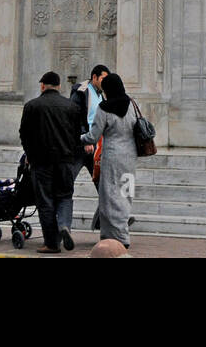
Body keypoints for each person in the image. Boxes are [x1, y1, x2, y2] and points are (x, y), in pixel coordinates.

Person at [19, 70, 85, 253]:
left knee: (45, 201)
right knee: (64, 196)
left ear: (42, 86)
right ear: (59, 86)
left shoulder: (32, 106)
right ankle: (64, 225)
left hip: (41, 162)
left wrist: (30, 155)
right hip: (65, 161)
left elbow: (24, 134)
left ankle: (51, 243)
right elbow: (76, 135)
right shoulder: (71, 107)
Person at [80, 71, 138, 248]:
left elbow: (93, 136)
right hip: (130, 157)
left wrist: (79, 138)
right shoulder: (132, 104)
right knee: (125, 194)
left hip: (112, 157)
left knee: (109, 196)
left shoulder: (104, 108)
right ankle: (109, 236)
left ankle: (119, 237)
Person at [69, 64, 108, 181]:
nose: (105, 83)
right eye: (103, 79)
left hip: (96, 145)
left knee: (100, 181)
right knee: (69, 180)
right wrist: (85, 138)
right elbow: (74, 116)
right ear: (95, 77)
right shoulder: (82, 92)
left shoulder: (101, 95)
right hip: (81, 143)